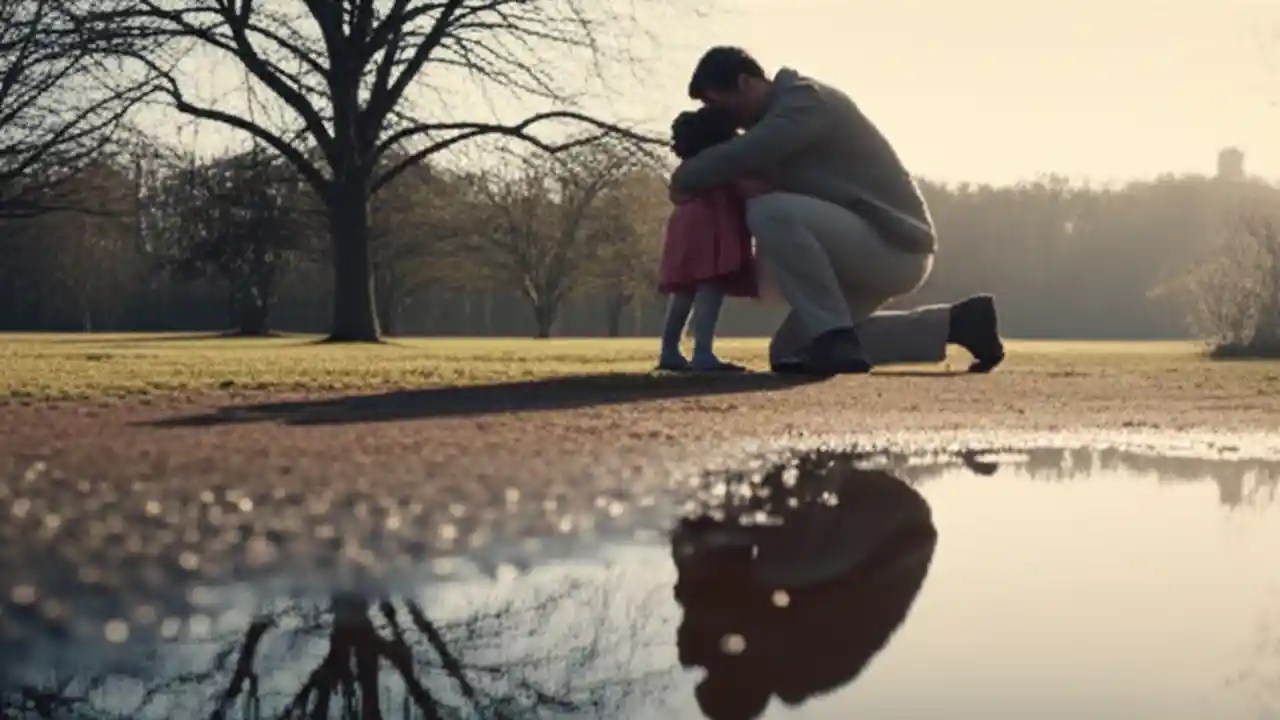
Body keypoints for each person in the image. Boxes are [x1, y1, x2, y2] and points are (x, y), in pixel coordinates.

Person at [669, 46, 1005, 376]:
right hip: (856, 252)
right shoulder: (777, 119)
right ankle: (960, 324)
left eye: (716, 103)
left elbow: (745, 153)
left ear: (745, 83)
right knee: (789, 352)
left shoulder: (804, 101)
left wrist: (686, 176)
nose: (717, 115)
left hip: (895, 245)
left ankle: (833, 335)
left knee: (769, 211)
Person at [656, 107, 768, 372]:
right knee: (711, 286)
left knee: (684, 289)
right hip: (715, 224)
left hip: (686, 223)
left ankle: (669, 350)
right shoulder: (723, 163)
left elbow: (677, 193)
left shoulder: (690, 166)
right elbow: (750, 189)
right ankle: (702, 351)